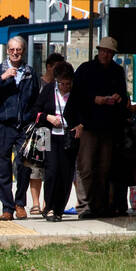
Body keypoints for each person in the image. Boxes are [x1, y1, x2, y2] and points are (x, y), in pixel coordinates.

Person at [0, 36, 40, 220]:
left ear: (23, 51)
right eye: (12, 49)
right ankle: (7, 207)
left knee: (24, 165)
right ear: (7, 51)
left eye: (18, 50)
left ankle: (19, 203)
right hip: (3, 126)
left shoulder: (30, 72)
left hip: (24, 127)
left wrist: (32, 121)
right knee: (2, 167)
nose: (15, 53)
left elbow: (35, 98)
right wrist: (3, 78)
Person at [71, 37, 129, 219]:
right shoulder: (85, 70)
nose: (106, 54)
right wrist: (95, 100)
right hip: (89, 125)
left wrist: (118, 98)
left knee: (104, 168)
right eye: (103, 51)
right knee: (86, 166)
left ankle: (99, 205)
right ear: (98, 51)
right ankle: (84, 205)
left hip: (109, 126)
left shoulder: (117, 72)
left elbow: (123, 94)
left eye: (109, 52)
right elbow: (76, 98)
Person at [35, 62, 83, 221]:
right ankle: (48, 207)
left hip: (68, 137)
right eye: (61, 83)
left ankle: (58, 209)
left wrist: (81, 125)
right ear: (56, 80)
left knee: (66, 173)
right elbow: (35, 111)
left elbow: (85, 112)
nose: (64, 87)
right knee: (51, 171)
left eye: (67, 83)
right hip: (48, 135)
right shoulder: (49, 90)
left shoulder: (77, 92)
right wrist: (47, 117)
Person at [28, 52, 64, 214]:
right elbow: (34, 108)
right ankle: (35, 203)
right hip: (41, 131)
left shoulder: (63, 85)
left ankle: (46, 203)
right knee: (37, 168)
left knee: (52, 169)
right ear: (49, 67)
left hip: (57, 132)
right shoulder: (39, 84)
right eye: (57, 67)